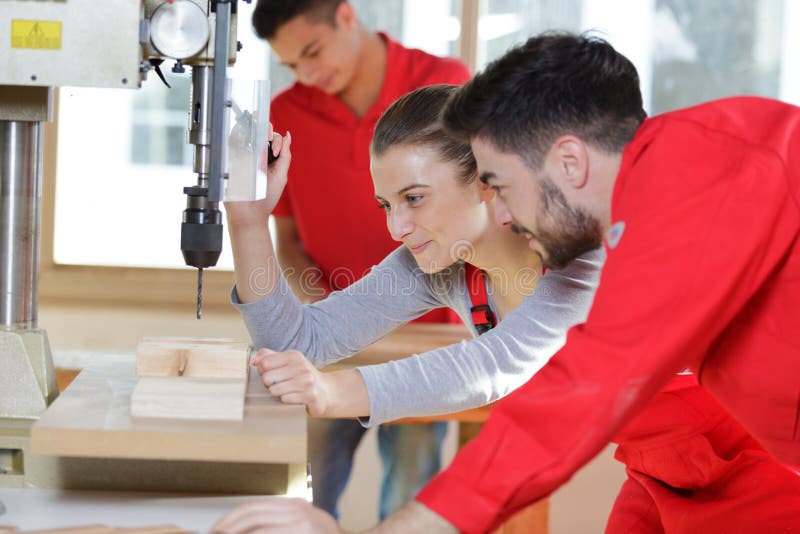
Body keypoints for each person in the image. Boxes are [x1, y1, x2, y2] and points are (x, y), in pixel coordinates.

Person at [213, 83, 800, 533]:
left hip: (756, 466)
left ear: (487, 183)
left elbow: (496, 367)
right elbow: (300, 340)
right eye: (386, 204)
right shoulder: (439, 265)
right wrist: (247, 221)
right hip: (656, 469)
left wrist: (334, 394)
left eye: (415, 199)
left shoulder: (578, 250)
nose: (397, 227)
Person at [250, 0, 470, 519]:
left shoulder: (441, 83)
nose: (307, 73)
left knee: (409, 497)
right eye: (292, 65)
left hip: (426, 343)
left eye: (312, 51)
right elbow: (287, 239)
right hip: (336, 344)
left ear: (346, 16)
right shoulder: (286, 114)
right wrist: (329, 311)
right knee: (306, 489)